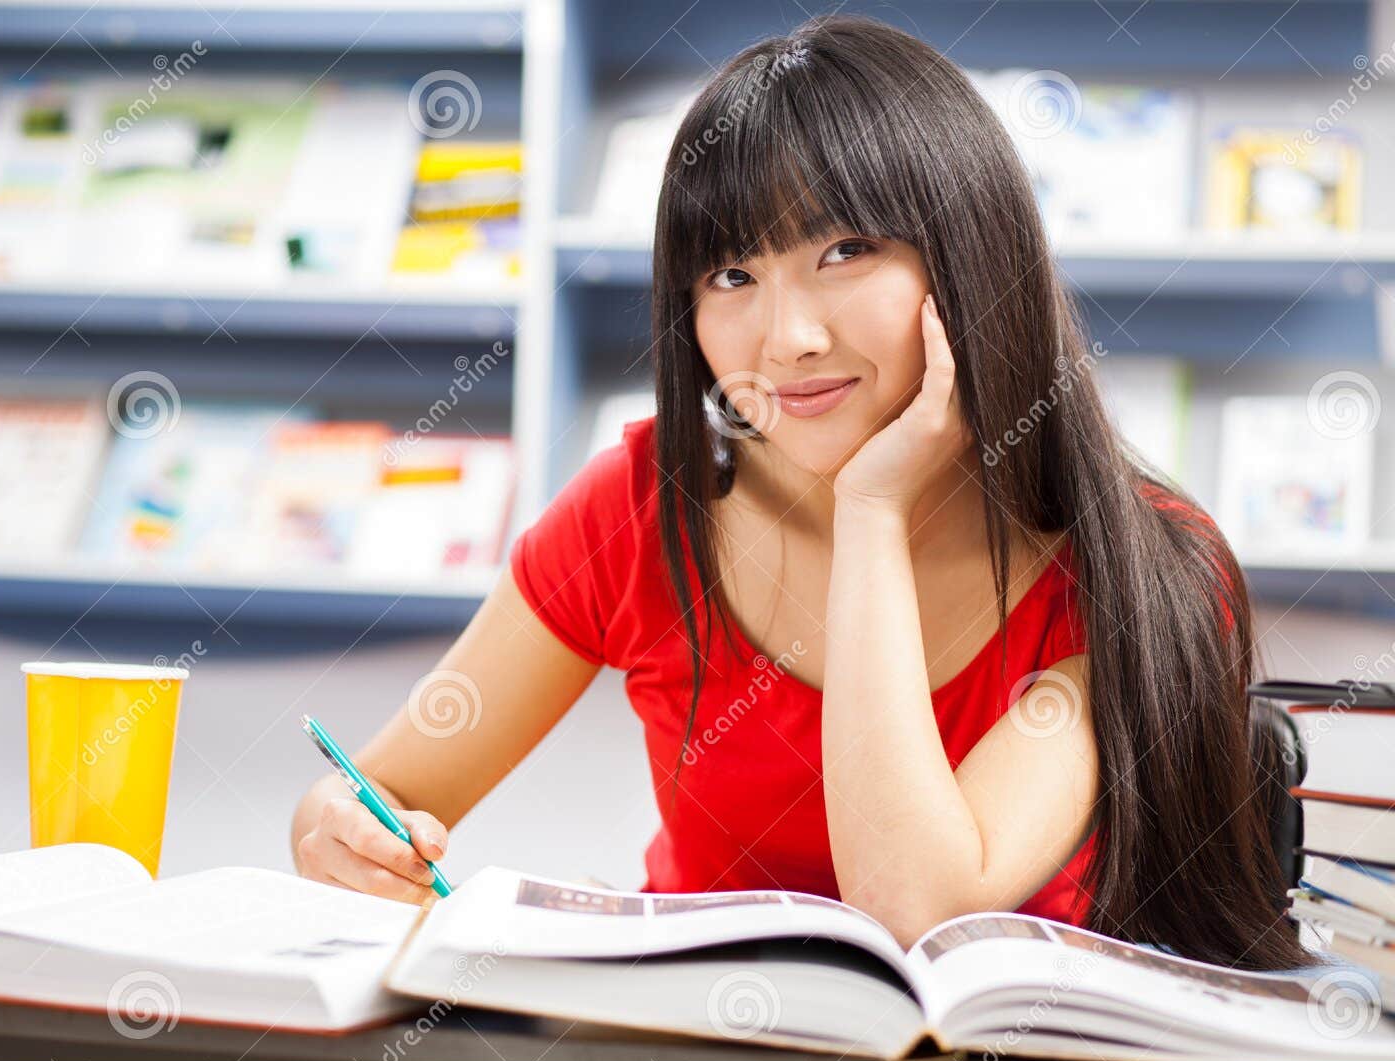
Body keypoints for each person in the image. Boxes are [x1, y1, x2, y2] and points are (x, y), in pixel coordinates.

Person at [293, 15, 1307, 969]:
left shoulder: (1141, 566)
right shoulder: (643, 507)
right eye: (732, 274)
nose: (787, 339)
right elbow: (374, 789)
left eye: (843, 251)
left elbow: (913, 907)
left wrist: (870, 512)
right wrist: (336, 828)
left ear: (970, 259)